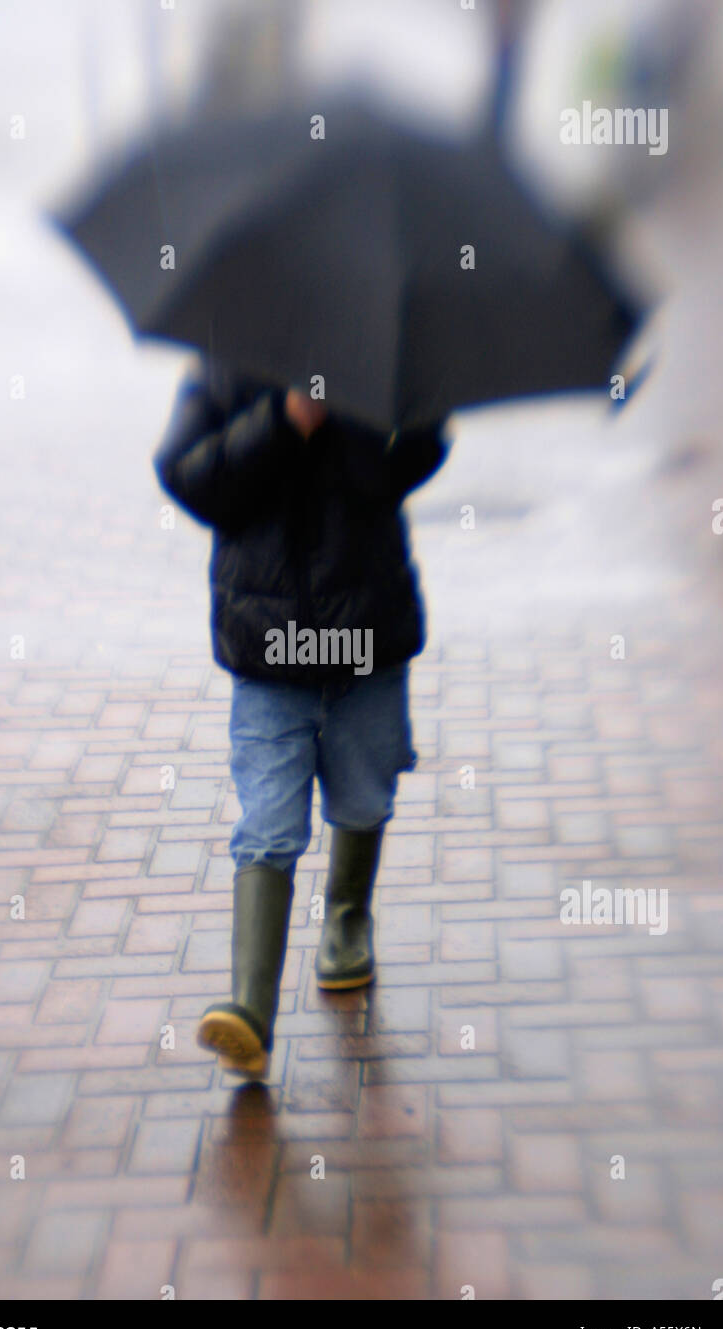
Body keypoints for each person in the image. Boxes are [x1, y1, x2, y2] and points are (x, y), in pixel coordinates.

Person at [153, 356, 448, 1078]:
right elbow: (191, 476)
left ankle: (346, 919)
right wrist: (282, 422)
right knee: (268, 822)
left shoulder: (384, 361)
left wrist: (343, 409)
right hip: (268, 646)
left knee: (364, 790)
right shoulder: (224, 365)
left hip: (365, 635)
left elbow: (409, 458)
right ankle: (250, 1007)